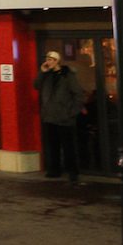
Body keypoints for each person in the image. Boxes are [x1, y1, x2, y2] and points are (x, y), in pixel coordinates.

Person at [35, 50, 85, 184]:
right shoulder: (47, 75)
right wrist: (42, 72)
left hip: (64, 117)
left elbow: (78, 94)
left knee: (69, 147)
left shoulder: (67, 75)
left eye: (50, 59)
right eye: (47, 59)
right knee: (52, 146)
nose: (47, 62)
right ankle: (54, 170)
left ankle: (73, 172)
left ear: (57, 61)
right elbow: (36, 85)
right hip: (49, 116)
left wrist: (71, 112)